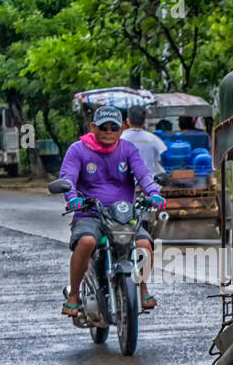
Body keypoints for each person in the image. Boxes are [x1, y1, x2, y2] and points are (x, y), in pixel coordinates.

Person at [58, 106, 165, 315]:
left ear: (121, 128)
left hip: (125, 215)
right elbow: (67, 178)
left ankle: (143, 289)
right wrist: (72, 198)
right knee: (87, 241)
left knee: (144, 243)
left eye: (113, 127)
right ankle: (73, 296)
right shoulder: (77, 150)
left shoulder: (128, 149)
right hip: (91, 215)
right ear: (93, 127)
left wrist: (154, 194)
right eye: (103, 127)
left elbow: (143, 175)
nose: (108, 131)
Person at [120, 105, 167, 179]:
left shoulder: (120, 139)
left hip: (127, 183)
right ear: (144, 122)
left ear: (128, 121)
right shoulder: (154, 139)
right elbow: (160, 161)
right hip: (149, 183)